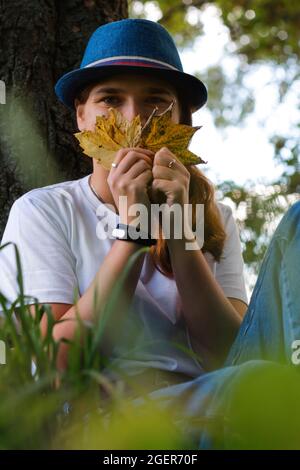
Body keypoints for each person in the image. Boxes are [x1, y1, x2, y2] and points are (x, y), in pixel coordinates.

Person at [0, 18, 299, 448]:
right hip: (112, 419)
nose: (134, 118)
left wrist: (178, 233)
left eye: (156, 102)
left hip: (219, 394)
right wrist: (132, 232)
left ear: (182, 122)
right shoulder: (44, 211)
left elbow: (228, 354)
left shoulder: (214, 216)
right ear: (81, 117)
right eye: (110, 99)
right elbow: (54, 361)